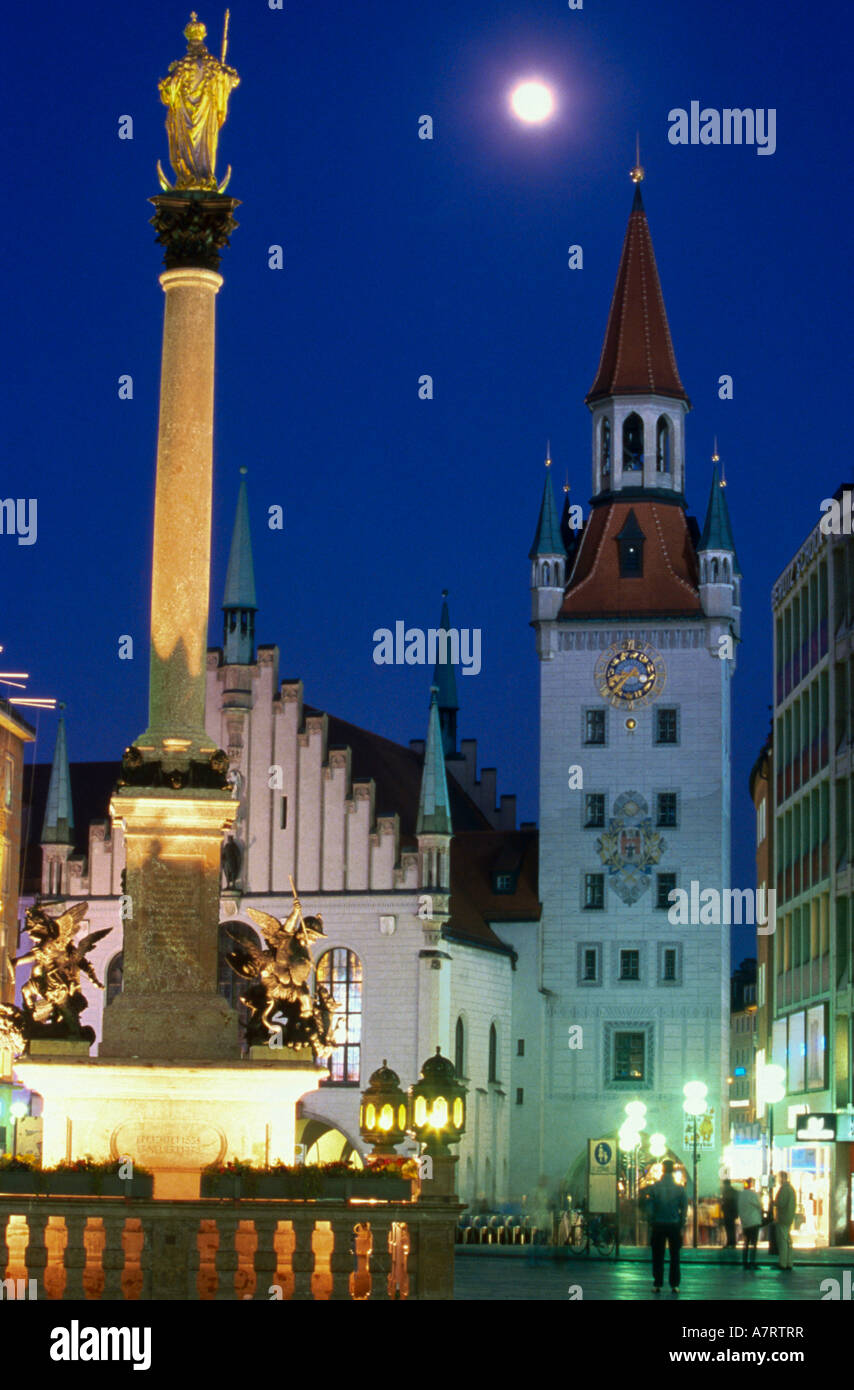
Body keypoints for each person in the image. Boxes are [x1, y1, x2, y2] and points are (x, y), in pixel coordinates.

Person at [644, 1160, 688, 1293]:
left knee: (658, 1255)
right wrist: (681, 1220)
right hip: (674, 1224)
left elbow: (649, 1206)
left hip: (658, 1224)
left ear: (662, 1170)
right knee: (675, 1255)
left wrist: (651, 1218)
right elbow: (684, 1207)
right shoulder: (680, 1188)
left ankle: (657, 1283)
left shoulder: (654, 1187)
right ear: (673, 1170)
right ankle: (675, 1284)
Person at [737, 1178, 763, 1268]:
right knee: (754, 1244)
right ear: (751, 1184)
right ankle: (752, 1262)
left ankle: (745, 1262)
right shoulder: (753, 1194)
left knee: (746, 1243)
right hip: (753, 1221)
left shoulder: (741, 1195)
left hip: (745, 1222)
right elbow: (759, 1205)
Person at [773, 1171, 797, 1270]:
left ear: (783, 1178)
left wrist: (774, 1202)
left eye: (779, 1178)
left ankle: (783, 1263)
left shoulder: (784, 1189)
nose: (778, 1180)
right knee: (787, 1241)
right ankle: (789, 1262)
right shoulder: (791, 1189)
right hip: (789, 1217)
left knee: (782, 1241)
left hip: (783, 1218)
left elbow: (781, 1203)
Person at [720, 1179, 738, 1248]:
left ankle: (731, 1242)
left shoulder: (727, 1191)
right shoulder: (733, 1191)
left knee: (729, 1228)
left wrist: (723, 1205)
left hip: (728, 1212)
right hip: (732, 1212)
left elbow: (727, 1202)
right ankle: (732, 1242)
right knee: (731, 1228)